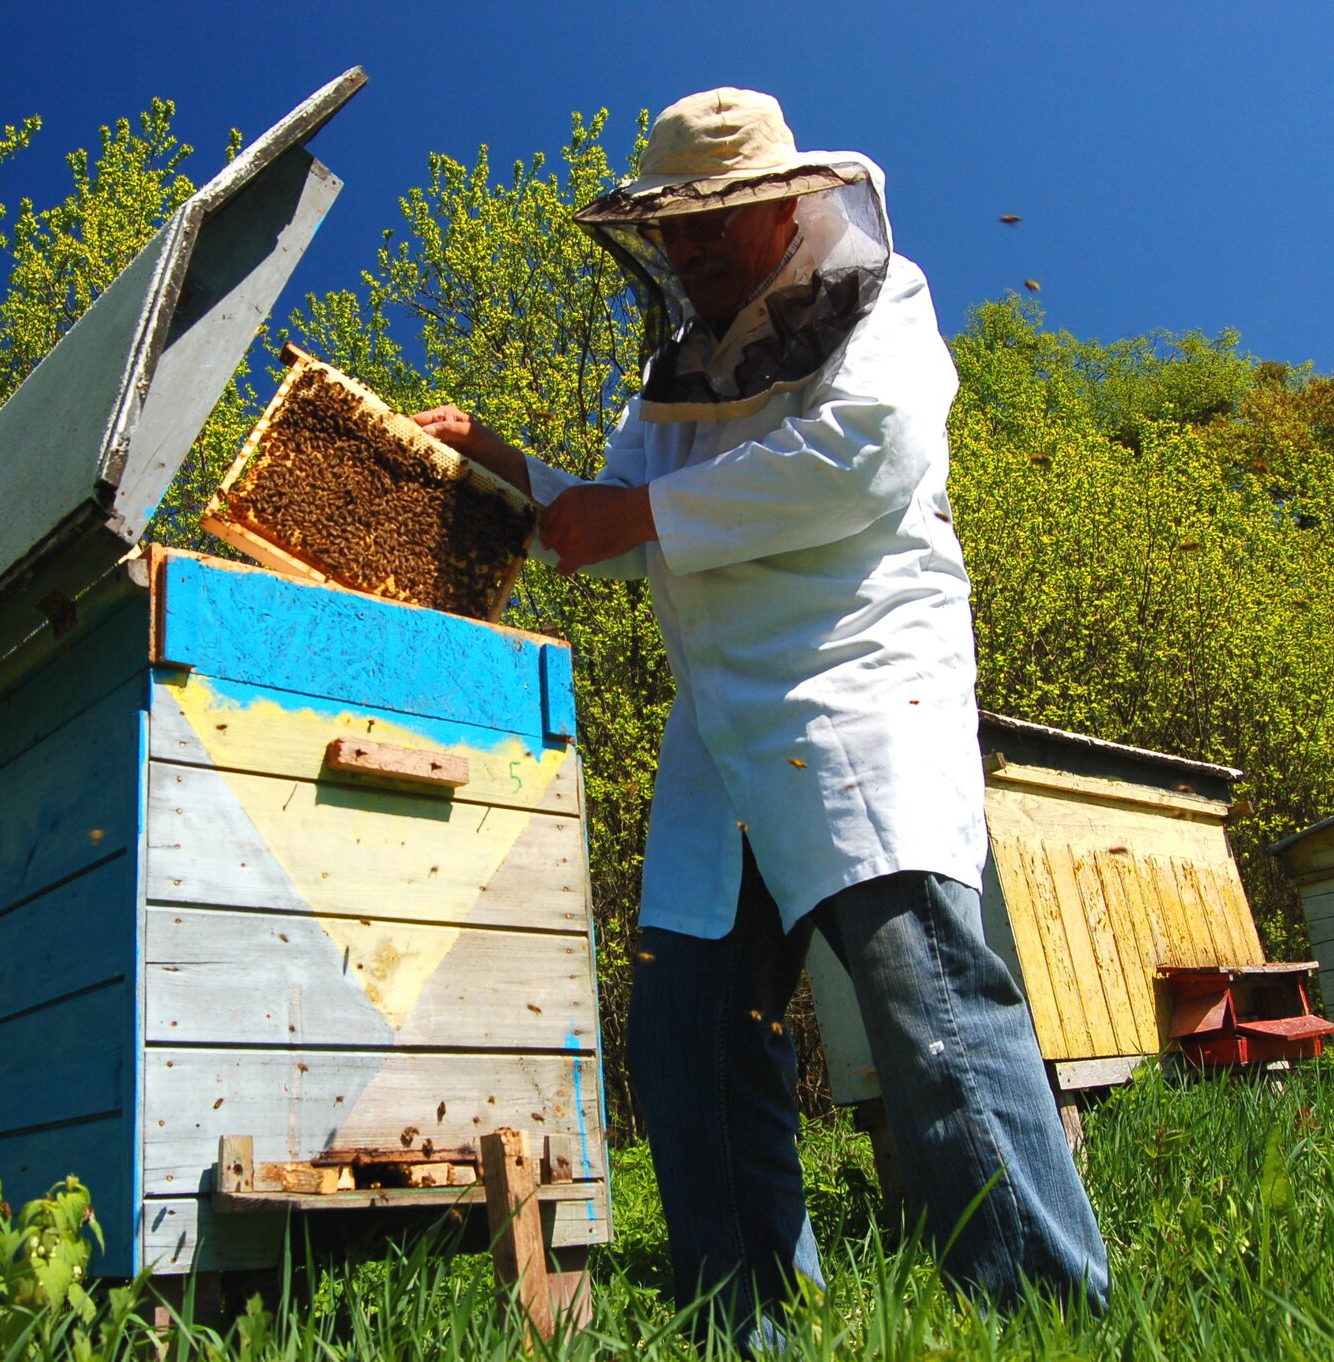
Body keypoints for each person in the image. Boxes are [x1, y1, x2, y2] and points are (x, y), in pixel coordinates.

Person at [413, 88, 1108, 1342]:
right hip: (719, 730)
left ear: (784, 205)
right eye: (670, 231)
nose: (685, 253)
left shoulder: (882, 304)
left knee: (927, 1005)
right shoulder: (668, 381)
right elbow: (613, 520)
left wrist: (642, 517)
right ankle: (748, 1318)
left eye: (710, 227)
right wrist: (514, 467)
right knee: (687, 1031)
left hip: (856, 689)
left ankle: (1046, 1316)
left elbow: (869, 450)